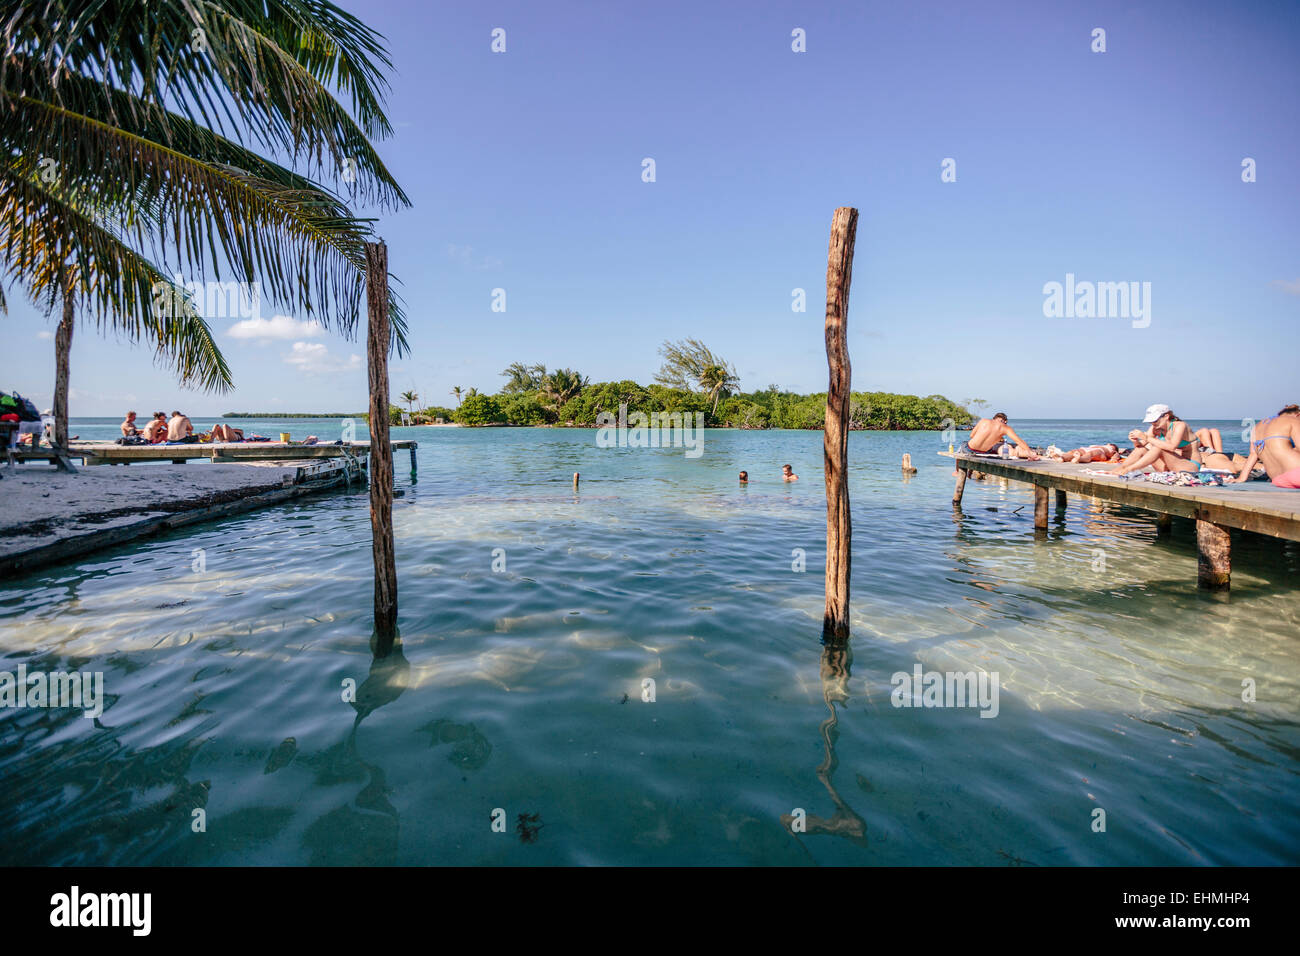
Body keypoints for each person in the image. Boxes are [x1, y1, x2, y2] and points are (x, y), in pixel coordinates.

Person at [1106, 404, 1201, 475]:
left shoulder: (1180, 425)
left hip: (1189, 467)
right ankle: (1120, 469)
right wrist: (1135, 441)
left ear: (1166, 416)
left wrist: (1146, 437)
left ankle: (1129, 469)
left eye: (1155, 420)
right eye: (1151, 421)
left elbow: (1172, 447)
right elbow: (1140, 446)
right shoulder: (1155, 428)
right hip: (1169, 466)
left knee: (1158, 447)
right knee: (1141, 449)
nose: (1153, 423)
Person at [1232, 404, 1300, 487]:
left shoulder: (1256, 427)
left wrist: (1241, 478)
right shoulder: (1293, 420)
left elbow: (1253, 455)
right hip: (1296, 473)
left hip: (1278, 480)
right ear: (1298, 415)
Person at [961, 412, 1040, 460]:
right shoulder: (1006, 428)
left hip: (969, 449)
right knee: (999, 447)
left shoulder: (983, 421)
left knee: (964, 443)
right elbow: (1018, 441)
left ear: (994, 418)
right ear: (1005, 421)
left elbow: (971, 435)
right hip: (984, 452)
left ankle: (957, 471)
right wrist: (1029, 452)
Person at [1049, 442, 1120, 464]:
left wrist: (1114, 458)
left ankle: (1080, 459)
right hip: (1085, 449)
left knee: (1091, 454)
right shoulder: (1101, 445)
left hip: (1101, 452)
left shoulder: (1112, 450)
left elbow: (1117, 454)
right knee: (1073, 452)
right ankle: (1061, 458)